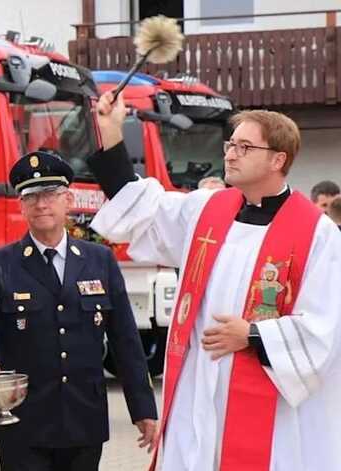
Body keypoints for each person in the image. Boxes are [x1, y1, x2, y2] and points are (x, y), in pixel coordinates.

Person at [88, 92, 341, 470]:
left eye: (244, 146)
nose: (231, 154)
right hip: (197, 384)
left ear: (278, 159)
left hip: (270, 399)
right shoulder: (207, 208)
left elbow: (326, 326)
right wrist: (111, 131)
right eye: (230, 144)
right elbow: (141, 208)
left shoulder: (317, 234)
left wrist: (253, 335)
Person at [0, 150, 158, 471]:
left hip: (84, 418)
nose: (41, 204)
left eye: (51, 194)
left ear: (68, 199)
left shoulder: (100, 260)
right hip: (23, 421)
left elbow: (126, 341)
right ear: (21, 205)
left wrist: (143, 409)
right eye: (31, 196)